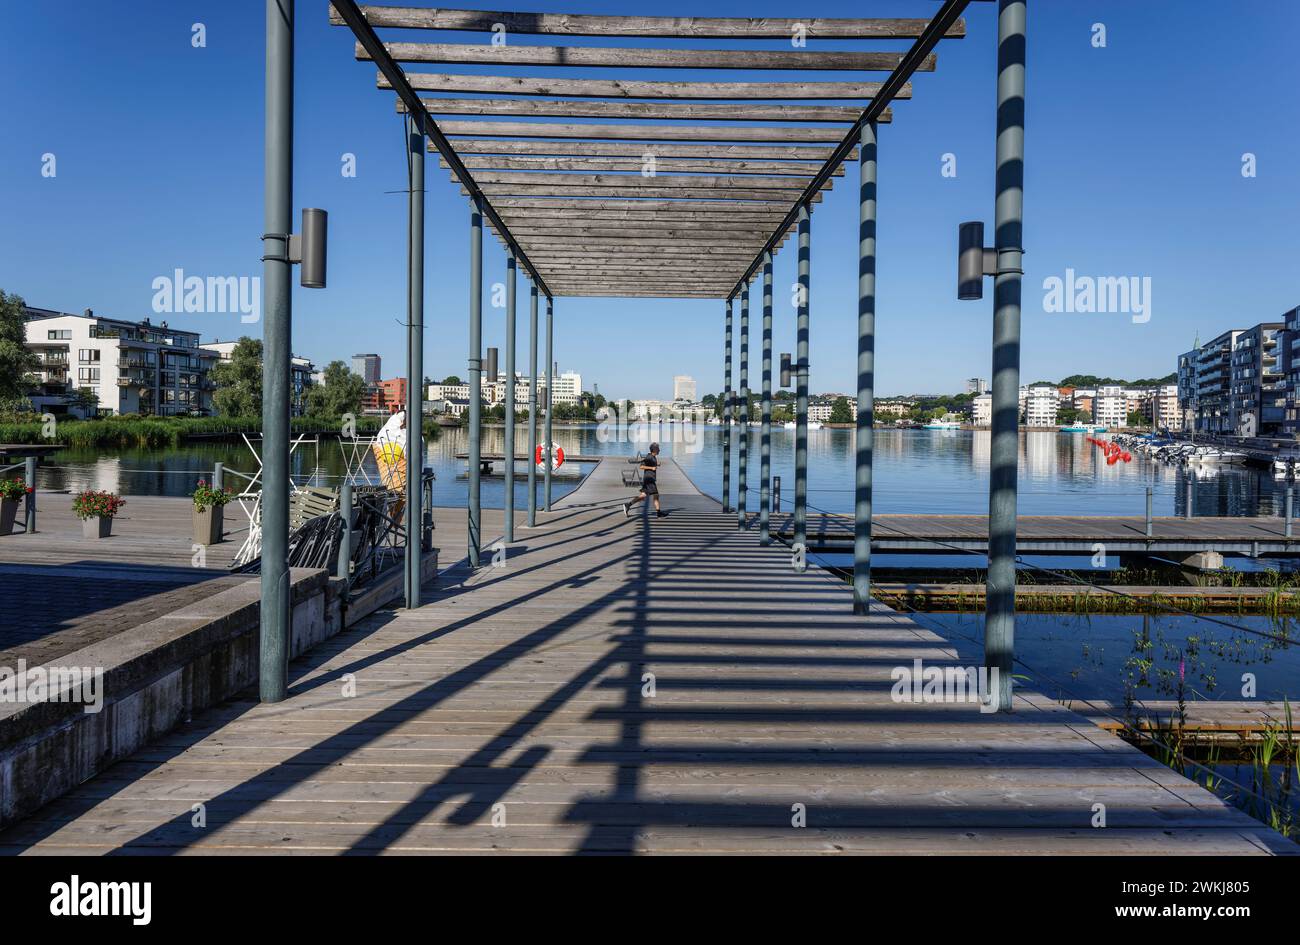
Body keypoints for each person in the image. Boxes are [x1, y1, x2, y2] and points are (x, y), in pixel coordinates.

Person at [624, 443, 664, 518]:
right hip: (649, 480)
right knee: (656, 495)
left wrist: (656, 464)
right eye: (658, 449)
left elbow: (650, 464)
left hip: (648, 479)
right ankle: (659, 513)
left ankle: (628, 505)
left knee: (643, 496)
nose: (659, 450)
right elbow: (641, 466)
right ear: (654, 450)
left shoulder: (653, 457)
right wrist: (651, 468)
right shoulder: (649, 457)